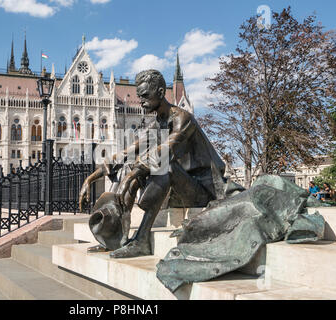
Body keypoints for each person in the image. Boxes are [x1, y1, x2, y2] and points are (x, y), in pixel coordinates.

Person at [79, 69, 229, 258]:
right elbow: (127, 153)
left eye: (144, 96)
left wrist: (135, 173)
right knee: (132, 167)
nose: (141, 101)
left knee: (163, 165)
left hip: (205, 192)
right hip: (180, 192)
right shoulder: (156, 125)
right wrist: (91, 178)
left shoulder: (183, 119)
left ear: (160, 92)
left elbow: (166, 150)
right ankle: (116, 238)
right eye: (139, 96)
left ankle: (141, 241)